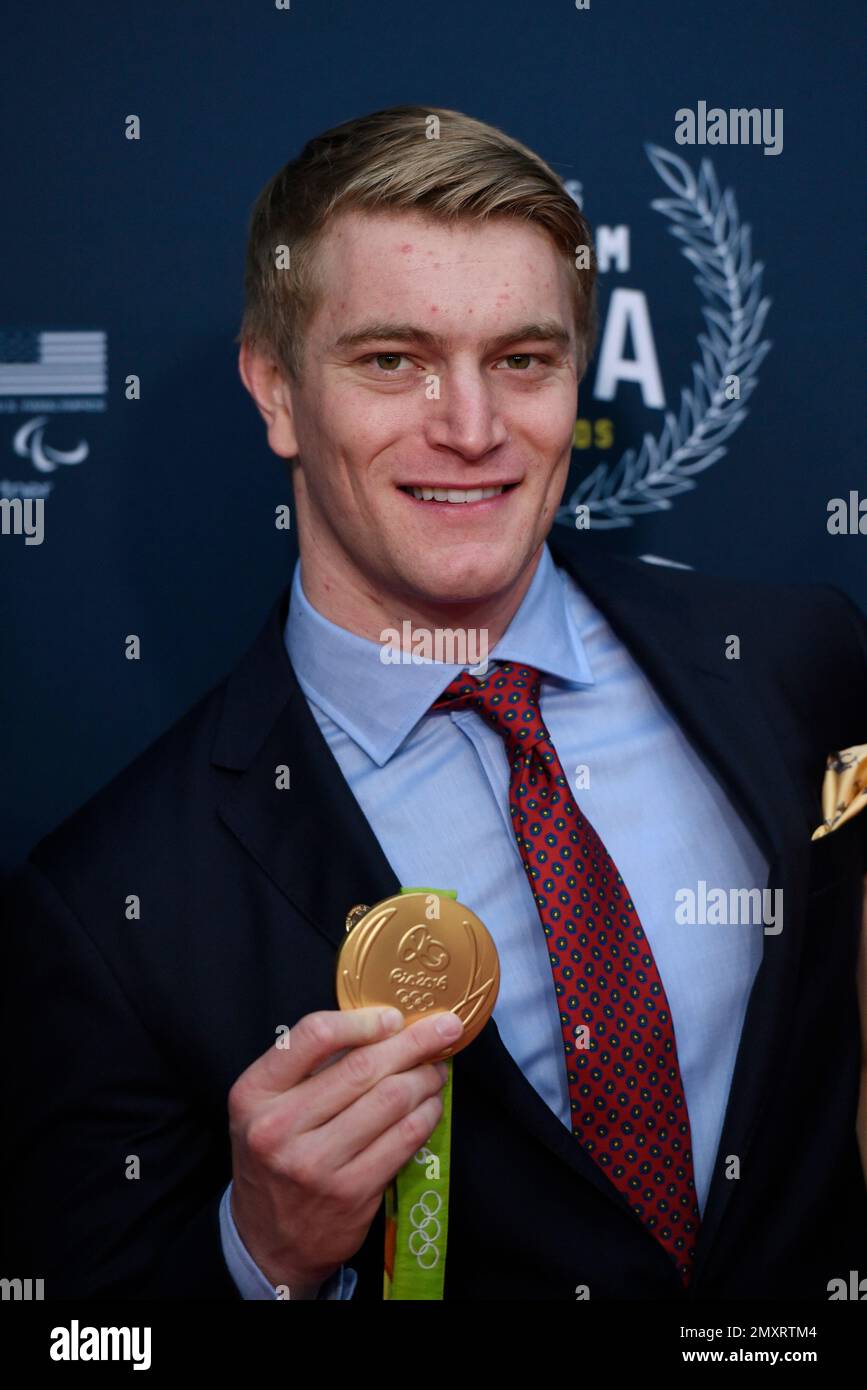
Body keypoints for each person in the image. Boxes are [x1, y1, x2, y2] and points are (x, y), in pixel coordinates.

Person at [3, 105, 866, 1301]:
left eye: (523, 359)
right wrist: (260, 1253)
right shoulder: (109, 903)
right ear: (277, 390)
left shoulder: (796, 662)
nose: (471, 429)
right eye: (392, 360)